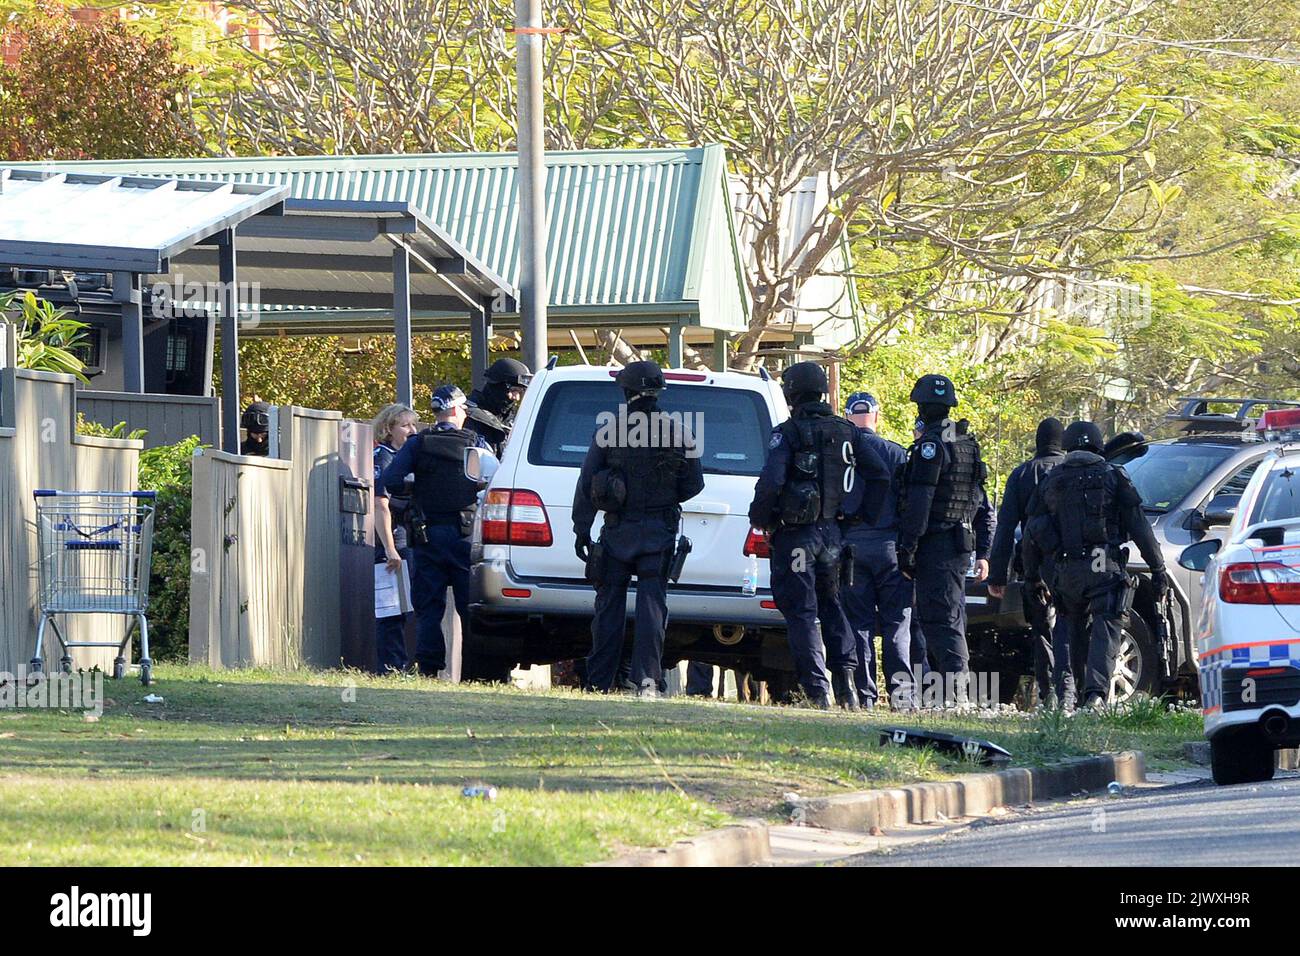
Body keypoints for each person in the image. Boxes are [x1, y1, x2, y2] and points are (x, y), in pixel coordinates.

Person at [748, 362, 892, 709]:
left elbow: (772, 481)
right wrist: (858, 518)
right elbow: (880, 476)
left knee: (801, 611)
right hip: (836, 536)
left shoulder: (789, 433)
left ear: (792, 393)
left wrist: (760, 518)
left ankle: (817, 692)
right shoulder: (849, 432)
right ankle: (847, 689)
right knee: (834, 605)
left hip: (797, 535)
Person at [572, 360, 705, 698]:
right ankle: (648, 680)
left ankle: (599, 681)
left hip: (617, 533)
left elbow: (587, 482)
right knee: (652, 606)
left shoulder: (610, 431)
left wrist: (581, 529)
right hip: (658, 532)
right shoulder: (679, 432)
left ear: (626, 391)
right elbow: (694, 484)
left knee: (608, 606)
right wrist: (665, 499)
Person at [1021, 421, 1170, 710]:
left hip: (1066, 571)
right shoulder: (1114, 476)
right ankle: (1096, 695)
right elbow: (1139, 527)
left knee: (1073, 627)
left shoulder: (1051, 480)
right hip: (1104, 567)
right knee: (1107, 624)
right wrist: (1158, 568)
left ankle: (1078, 695)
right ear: (1098, 446)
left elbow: (1032, 533)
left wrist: (1032, 579)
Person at [382, 384, 490, 677]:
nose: (466, 413)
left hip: (427, 535)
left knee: (429, 608)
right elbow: (493, 480)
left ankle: (429, 669)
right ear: (455, 410)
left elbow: (391, 480)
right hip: (466, 536)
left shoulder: (419, 443)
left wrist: (419, 486)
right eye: (465, 409)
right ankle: (472, 672)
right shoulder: (476, 442)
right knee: (470, 609)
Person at [895, 374, 989, 707]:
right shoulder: (965, 443)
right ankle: (951, 692)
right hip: (958, 541)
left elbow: (920, 501)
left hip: (937, 542)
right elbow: (981, 501)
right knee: (950, 614)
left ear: (921, 407)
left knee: (941, 617)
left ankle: (956, 695)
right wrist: (985, 551)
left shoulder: (931, 446)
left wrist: (908, 547)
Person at [838, 391, 913, 710]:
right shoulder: (897, 454)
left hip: (851, 547)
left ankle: (864, 697)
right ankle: (902, 698)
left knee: (859, 624)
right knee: (898, 623)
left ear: (846, 417)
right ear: (877, 417)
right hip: (890, 548)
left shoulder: (839, 454)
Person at [986, 418, 1067, 705]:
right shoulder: (1074, 472)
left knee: (1041, 630)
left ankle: (1048, 694)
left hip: (1034, 566)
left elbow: (1005, 527)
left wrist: (997, 576)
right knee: (1070, 626)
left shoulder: (1021, 474)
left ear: (1037, 441)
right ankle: (1071, 692)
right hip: (1071, 565)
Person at [372, 403, 420, 674]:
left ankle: (401, 665)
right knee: (390, 609)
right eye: (405, 425)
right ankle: (390, 668)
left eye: (414, 425)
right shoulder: (384, 457)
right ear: (389, 429)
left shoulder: (407, 457)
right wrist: (390, 548)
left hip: (408, 540)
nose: (412, 431)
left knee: (405, 609)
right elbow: (381, 504)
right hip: (392, 545)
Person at [465, 357, 530, 456]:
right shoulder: (469, 417)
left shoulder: (512, 420)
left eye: (520, 392)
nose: (516, 397)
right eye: (513, 391)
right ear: (498, 387)